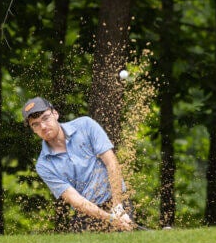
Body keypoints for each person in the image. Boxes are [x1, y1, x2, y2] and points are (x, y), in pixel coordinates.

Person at [22, 97, 135, 232]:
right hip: (86, 215)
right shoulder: (43, 165)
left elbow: (111, 162)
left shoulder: (85, 125)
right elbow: (75, 199)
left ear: (55, 114)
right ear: (33, 129)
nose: (43, 126)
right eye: (36, 124)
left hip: (117, 200)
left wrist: (117, 207)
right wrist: (110, 219)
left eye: (45, 118)